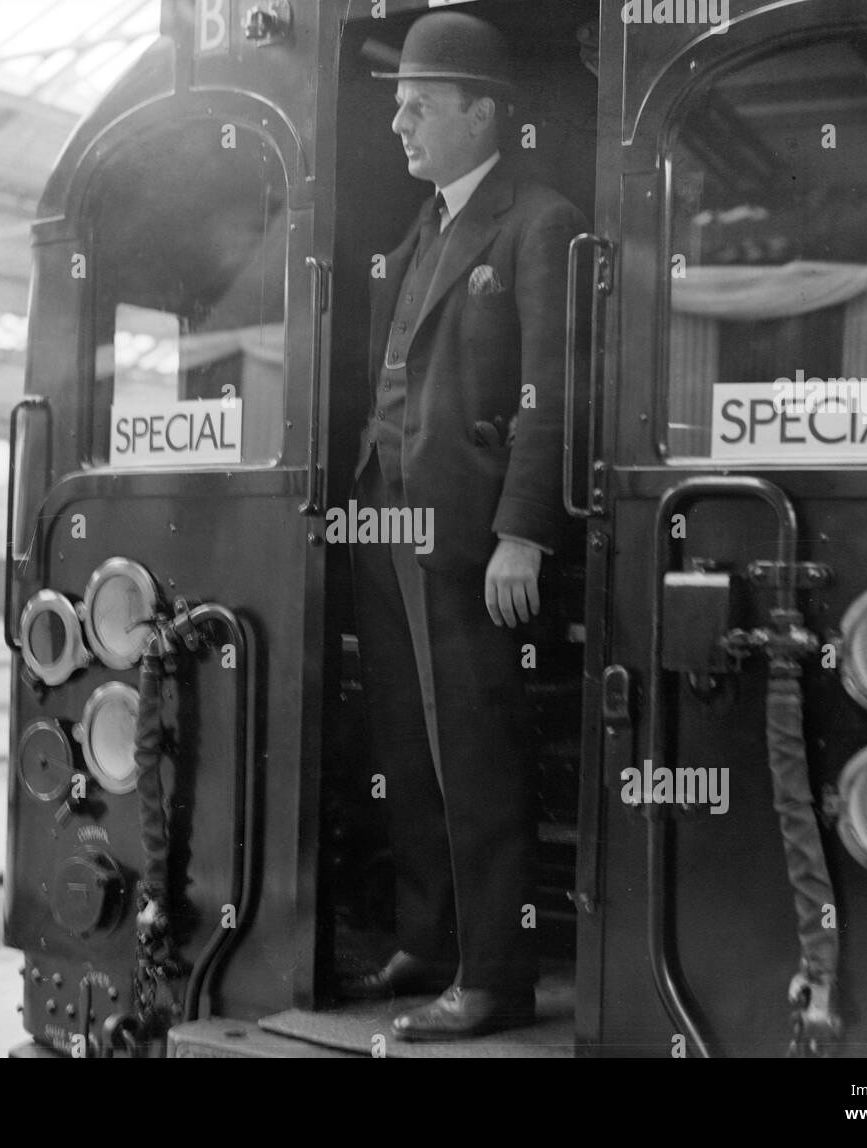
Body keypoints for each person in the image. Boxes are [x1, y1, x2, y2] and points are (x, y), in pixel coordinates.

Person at [340, 12, 587, 1041]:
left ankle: (494, 977)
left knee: (476, 751)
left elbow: (555, 389)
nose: (399, 123)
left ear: (482, 113)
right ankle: (430, 938)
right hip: (391, 525)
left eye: (420, 106)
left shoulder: (539, 222)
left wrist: (523, 529)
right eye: (396, 105)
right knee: (408, 737)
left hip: (473, 538)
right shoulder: (420, 232)